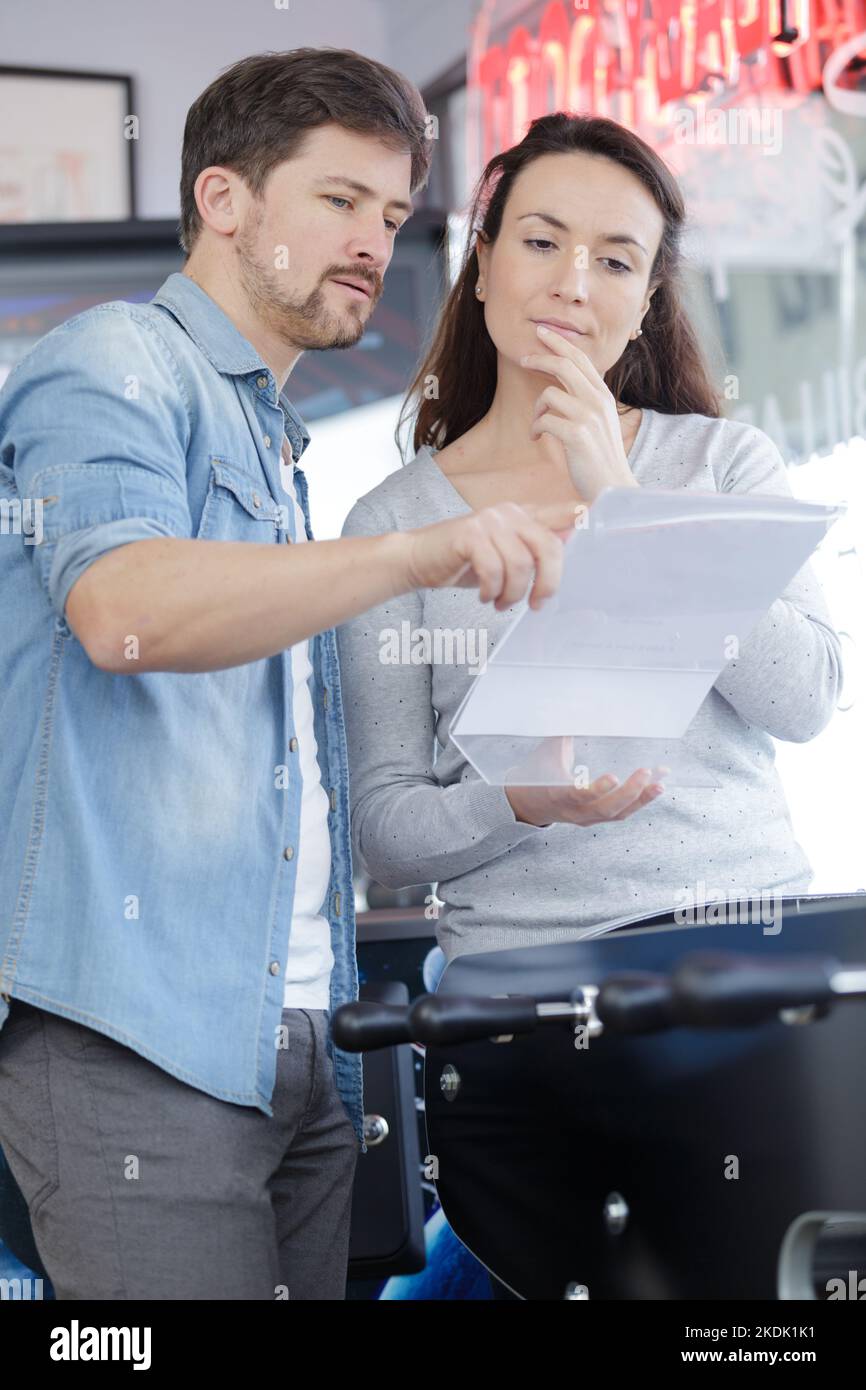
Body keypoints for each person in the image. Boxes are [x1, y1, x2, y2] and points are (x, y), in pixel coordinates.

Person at [0, 49, 578, 1301]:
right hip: (137, 1042)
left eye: (389, 215)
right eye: (337, 200)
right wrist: (415, 549)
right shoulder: (111, 363)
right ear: (222, 200)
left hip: (314, 1046)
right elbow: (121, 610)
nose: (374, 240)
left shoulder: (280, 447)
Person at [337, 112, 842, 967]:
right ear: (484, 268)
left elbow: (806, 700)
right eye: (541, 243)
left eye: (614, 260)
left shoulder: (722, 462)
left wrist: (626, 502)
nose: (574, 284)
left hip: (749, 952)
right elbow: (384, 832)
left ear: (644, 304)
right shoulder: (395, 523)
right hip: (519, 976)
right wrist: (518, 803)